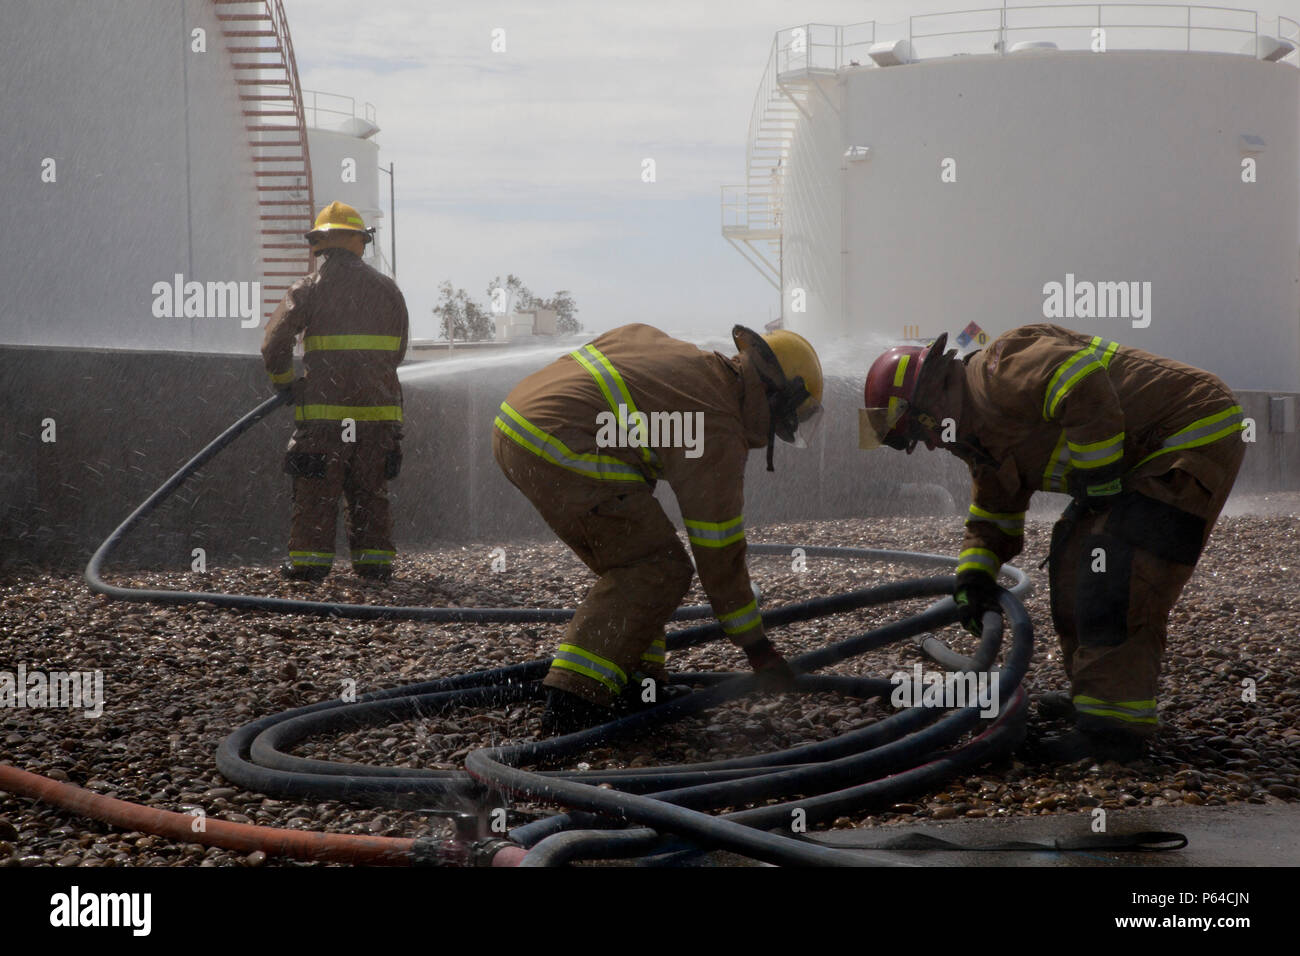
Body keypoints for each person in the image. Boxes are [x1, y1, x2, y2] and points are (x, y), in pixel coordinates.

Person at [860, 323, 1246, 761]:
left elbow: (1080, 381)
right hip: (1141, 461)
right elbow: (994, 516)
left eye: (920, 432)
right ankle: (1095, 701)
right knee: (1072, 559)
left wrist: (1097, 470)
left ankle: (1115, 732)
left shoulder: (1000, 366)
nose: (929, 445)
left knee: (1114, 566)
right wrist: (974, 575)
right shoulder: (982, 444)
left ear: (930, 399)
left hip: (1191, 430)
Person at [494, 323, 824, 734]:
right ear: (777, 396)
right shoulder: (717, 421)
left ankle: (638, 685)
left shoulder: (690, 369)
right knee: (656, 568)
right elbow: (719, 550)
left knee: (638, 563)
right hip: (558, 442)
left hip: (517, 425)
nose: (779, 429)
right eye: (787, 419)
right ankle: (572, 704)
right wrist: (756, 646)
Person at [262, 201, 409, 582]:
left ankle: (310, 565)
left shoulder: (308, 289)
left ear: (319, 244)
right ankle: (374, 564)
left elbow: (275, 346)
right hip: (378, 417)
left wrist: (285, 385)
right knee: (370, 490)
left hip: (325, 418)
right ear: (361, 242)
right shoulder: (389, 290)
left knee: (316, 488)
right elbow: (397, 354)